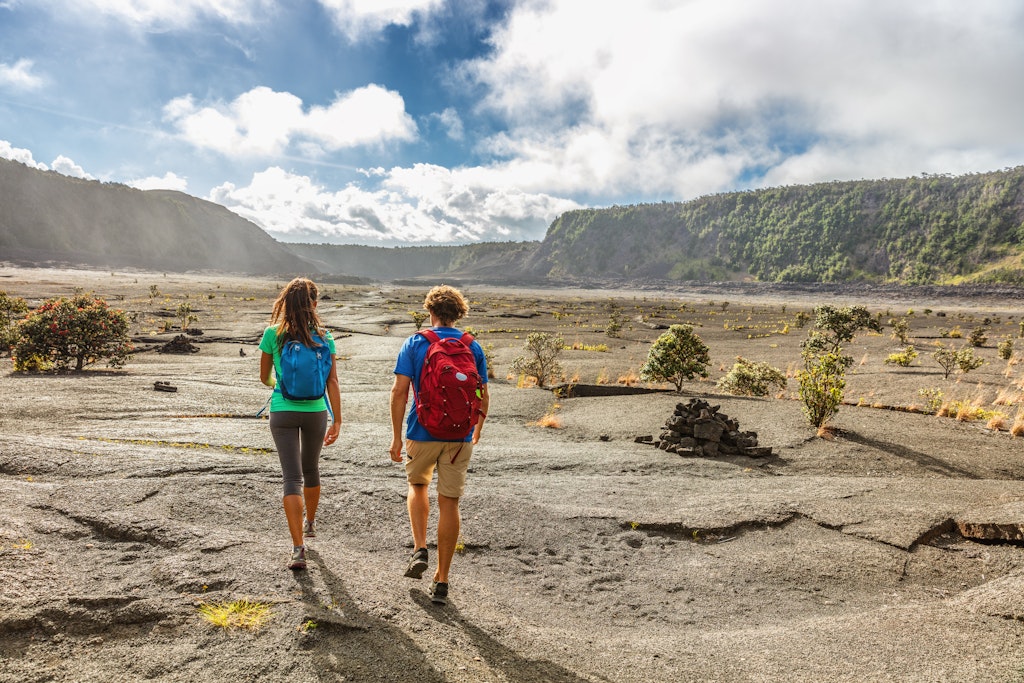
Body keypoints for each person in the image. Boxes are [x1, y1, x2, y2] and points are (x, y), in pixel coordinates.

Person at [389, 285, 488, 605]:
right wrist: (477, 428)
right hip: (459, 436)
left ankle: (420, 548)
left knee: (417, 485)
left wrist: (395, 435)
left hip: (421, 432)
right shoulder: (472, 346)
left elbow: (399, 392)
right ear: (459, 313)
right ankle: (442, 579)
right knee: (450, 503)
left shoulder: (415, 342)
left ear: (429, 311)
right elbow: (482, 393)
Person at [259, 277, 342, 570]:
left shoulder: (272, 334)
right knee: (311, 469)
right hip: (316, 411)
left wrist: (278, 384)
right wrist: (338, 419)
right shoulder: (325, 336)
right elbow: (332, 381)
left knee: (291, 478)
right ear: (314, 304)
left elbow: (264, 376)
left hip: (282, 410)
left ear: (286, 304)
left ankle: (298, 549)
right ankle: (310, 522)